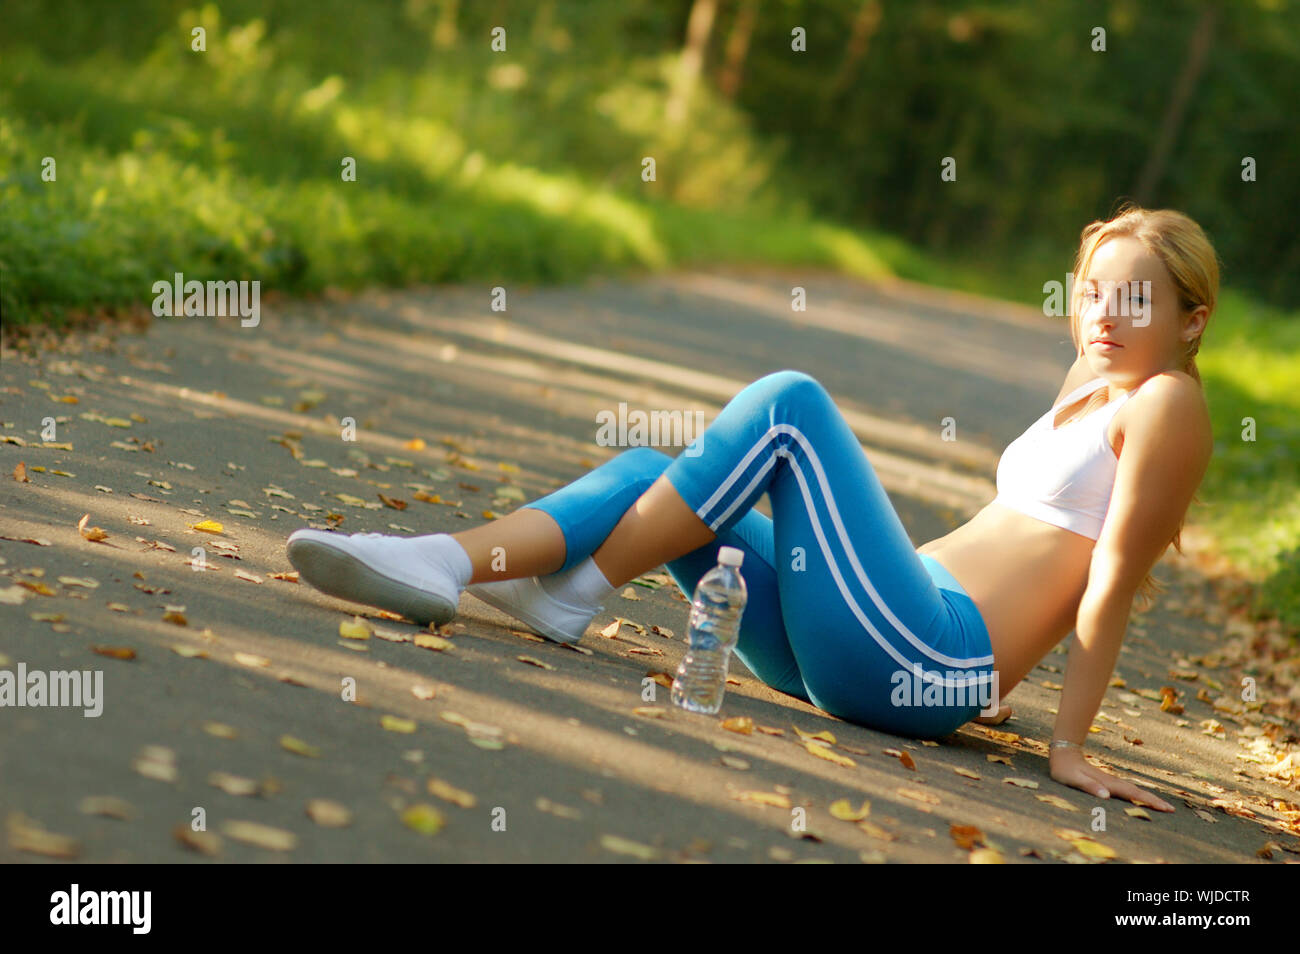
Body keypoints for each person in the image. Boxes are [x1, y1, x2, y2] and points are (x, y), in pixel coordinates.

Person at [286, 203, 1215, 810]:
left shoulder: (1165, 402)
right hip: (890, 635)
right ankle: (453, 561)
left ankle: (569, 595)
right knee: (657, 468)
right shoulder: (1087, 379)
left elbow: (1110, 580)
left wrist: (1067, 746)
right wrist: (999, 680)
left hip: (922, 653)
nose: (1102, 315)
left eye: (1134, 298)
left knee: (792, 404)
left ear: (1192, 319)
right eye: (1091, 291)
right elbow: (1016, 540)